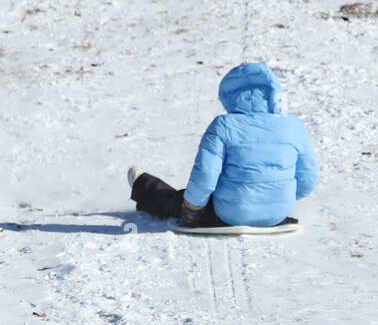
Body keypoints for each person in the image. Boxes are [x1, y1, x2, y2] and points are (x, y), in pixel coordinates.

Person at [127, 62, 319, 228]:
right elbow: (307, 180)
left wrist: (192, 209)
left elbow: (205, 175)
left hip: (229, 214)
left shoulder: (224, 125)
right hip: (276, 213)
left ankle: (143, 185)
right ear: (274, 94)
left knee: (176, 201)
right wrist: (275, 197)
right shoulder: (294, 127)